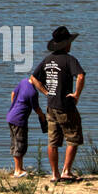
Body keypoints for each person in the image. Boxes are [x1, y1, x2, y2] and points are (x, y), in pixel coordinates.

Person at [30, 26, 85, 182]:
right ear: (66, 44)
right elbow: (80, 76)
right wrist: (76, 94)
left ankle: (54, 174)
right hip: (66, 106)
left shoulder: (47, 60)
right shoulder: (70, 60)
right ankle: (66, 171)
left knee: (52, 141)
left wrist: (46, 92)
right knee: (73, 137)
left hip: (51, 106)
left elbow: (34, 78)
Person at [7, 75, 48, 177]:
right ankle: (18, 171)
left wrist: (15, 107)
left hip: (11, 116)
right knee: (20, 144)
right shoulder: (33, 92)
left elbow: (13, 94)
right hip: (19, 120)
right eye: (42, 84)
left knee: (15, 142)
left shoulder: (23, 81)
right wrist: (43, 116)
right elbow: (36, 108)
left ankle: (19, 168)